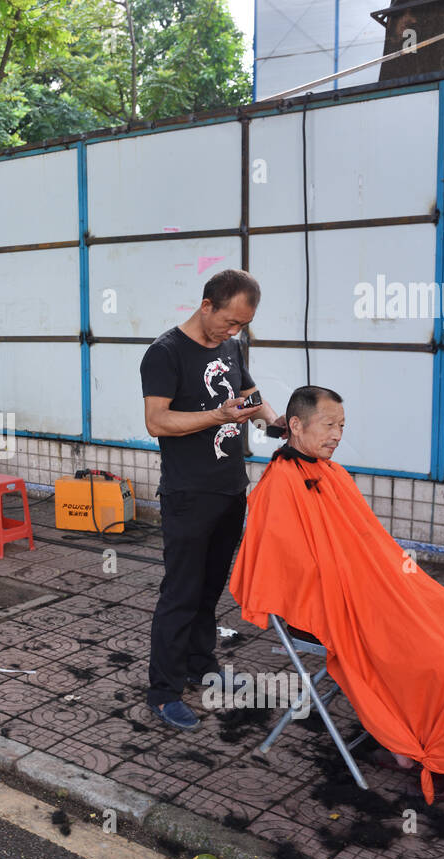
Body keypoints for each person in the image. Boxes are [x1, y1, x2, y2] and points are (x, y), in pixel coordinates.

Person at [229, 386, 444, 802]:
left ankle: (406, 744)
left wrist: (393, 583)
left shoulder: (333, 474)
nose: (336, 435)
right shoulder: (279, 486)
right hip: (328, 610)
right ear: (295, 425)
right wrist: (363, 594)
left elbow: (369, 543)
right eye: (328, 425)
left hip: (372, 592)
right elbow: (288, 573)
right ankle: (432, 759)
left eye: (342, 426)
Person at [140, 269, 283, 731]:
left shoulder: (232, 346)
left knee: (208, 589)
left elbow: (249, 395)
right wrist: (215, 417)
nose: (234, 331)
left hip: (229, 489)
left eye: (242, 325)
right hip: (187, 493)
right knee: (180, 593)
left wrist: (278, 424)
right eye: (230, 322)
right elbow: (157, 422)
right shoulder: (164, 354)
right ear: (207, 306)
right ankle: (162, 691)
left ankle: (201, 666)